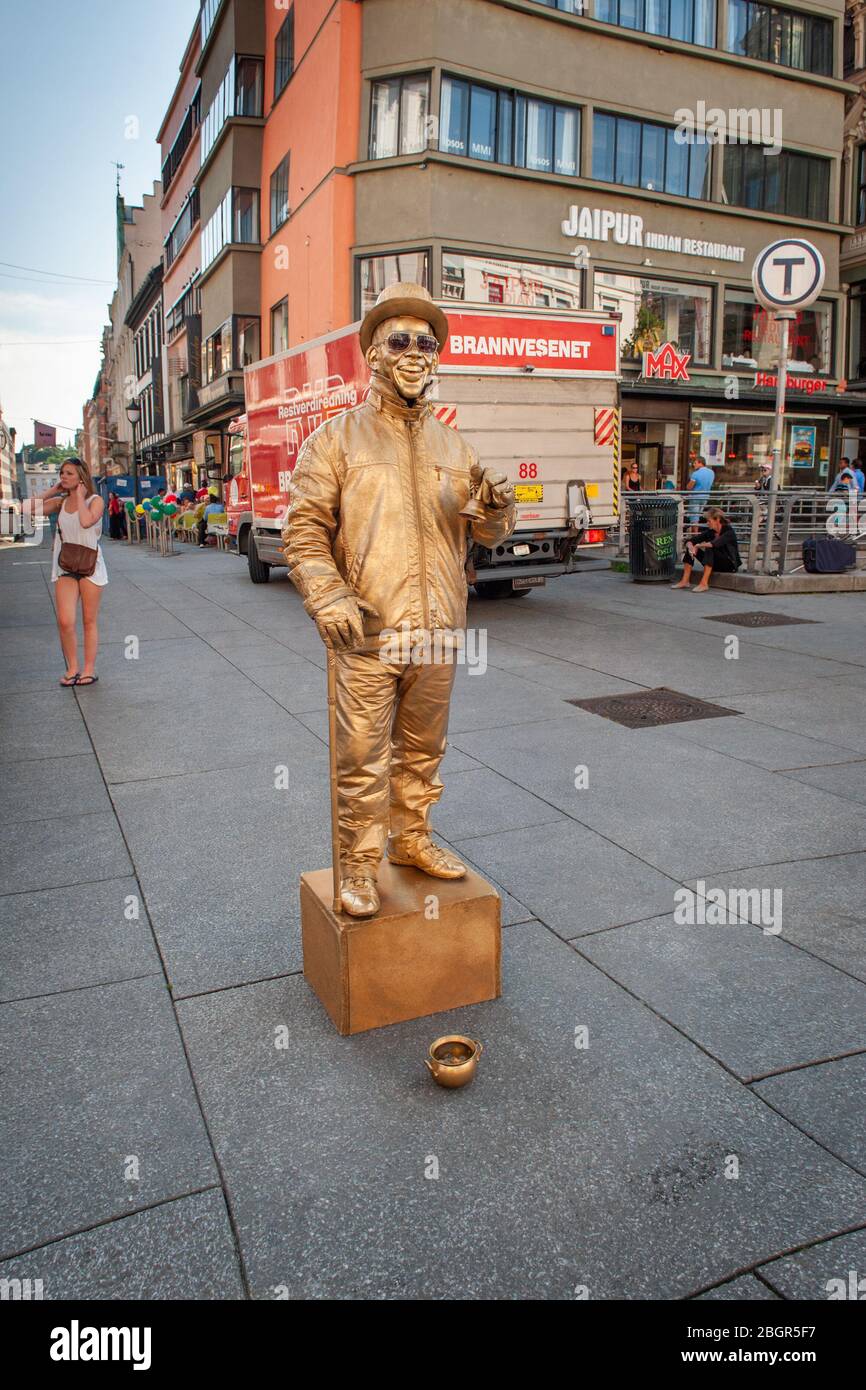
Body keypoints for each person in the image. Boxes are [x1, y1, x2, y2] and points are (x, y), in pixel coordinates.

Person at [282, 282, 515, 918]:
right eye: (401, 341)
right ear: (375, 354)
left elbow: (487, 532)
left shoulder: (452, 445)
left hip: (438, 628)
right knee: (362, 758)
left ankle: (411, 839)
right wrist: (327, 594)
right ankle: (358, 863)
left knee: (422, 751)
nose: (417, 352)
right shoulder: (335, 441)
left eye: (428, 343)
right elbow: (301, 530)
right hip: (368, 631)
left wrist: (497, 509)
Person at [26, 457, 107, 685]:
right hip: (65, 565)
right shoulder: (59, 502)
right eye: (62, 473)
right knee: (65, 621)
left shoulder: (95, 500)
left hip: (90, 566)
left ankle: (89, 669)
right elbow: (28, 509)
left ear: (81, 476)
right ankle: (72, 668)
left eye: (69, 473)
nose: (64, 477)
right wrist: (52, 490)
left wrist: (80, 497)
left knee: (89, 620)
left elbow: (86, 522)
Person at [672, 506, 740, 592]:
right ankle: (685, 581)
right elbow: (690, 541)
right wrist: (691, 546)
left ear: (717, 520)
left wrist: (697, 546)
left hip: (729, 565)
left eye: (709, 521)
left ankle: (704, 583)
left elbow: (714, 544)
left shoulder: (729, 532)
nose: (707, 523)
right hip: (715, 563)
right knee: (691, 548)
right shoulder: (710, 531)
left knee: (709, 548)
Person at [686, 453, 715, 526]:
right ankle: (692, 532)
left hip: (695, 497)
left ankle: (695, 534)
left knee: (694, 518)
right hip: (705, 497)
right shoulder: (711, 472)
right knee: (697, 515)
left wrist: (688, 485)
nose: (694, 465)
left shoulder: (695, 473)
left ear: (700, 463)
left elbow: (689, 487)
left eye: (695, 463)